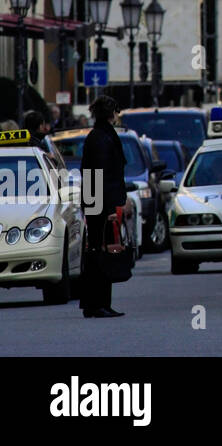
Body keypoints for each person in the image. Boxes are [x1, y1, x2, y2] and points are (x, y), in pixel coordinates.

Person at [79, 95, 128, 318]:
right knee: (100, 253)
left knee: (97, 251)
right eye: (116, 111)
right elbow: (101, 175)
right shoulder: (102, 138)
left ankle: (96, 303)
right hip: (98, 202)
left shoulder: (98, 136)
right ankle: (97, 303)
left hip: (95, 200)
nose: (118, 116)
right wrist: (108, 207)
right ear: (111, 113)